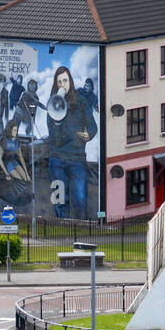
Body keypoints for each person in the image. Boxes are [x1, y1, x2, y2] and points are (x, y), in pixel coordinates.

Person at [45, 66, 97, 220]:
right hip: (57, 159)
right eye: (59, 82)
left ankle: (81, 226)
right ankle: (62, 225)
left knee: (80, 197)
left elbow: (93, 125)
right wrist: (57, 117)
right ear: (56, 84)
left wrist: (88, 135)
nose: (63, 85)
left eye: (65, 81)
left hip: (77, 158)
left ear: (70, 82)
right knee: (59, 198)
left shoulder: (81, 101)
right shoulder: (53, 102)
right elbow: (52, 133)